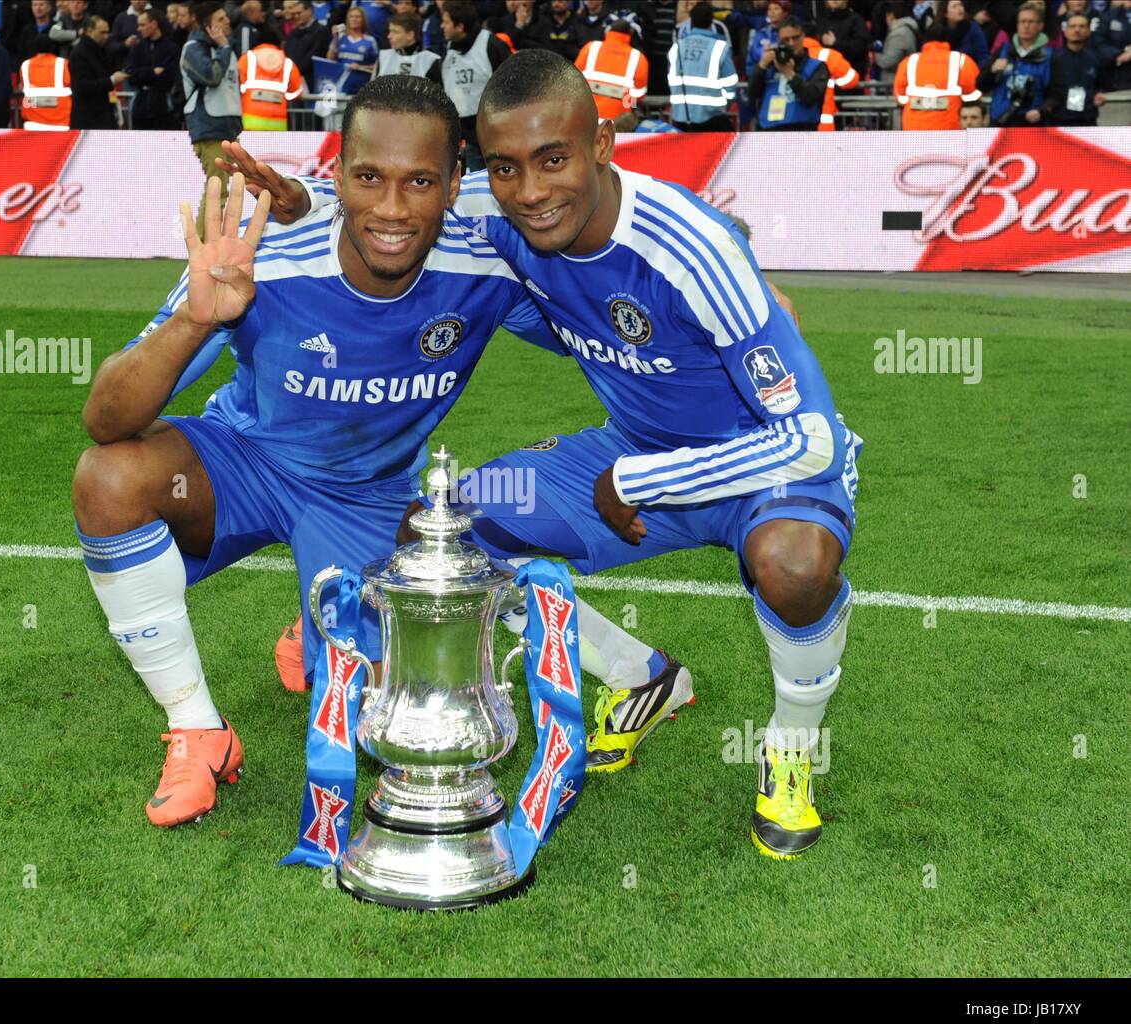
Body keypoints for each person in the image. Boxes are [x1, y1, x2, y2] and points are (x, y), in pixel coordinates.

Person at [246, 49, 860, 859]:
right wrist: (303, 204)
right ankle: (642, 673)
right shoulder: (498, 211)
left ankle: (790, 750)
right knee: (442, 525)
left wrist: (642, 477)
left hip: (764, 470)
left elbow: (806, 436)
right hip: (630, 451)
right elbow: (394, 197)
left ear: (603, 143)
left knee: (795, 563)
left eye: (554, 159)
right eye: (506, 167)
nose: (531, 191)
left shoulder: (690, 245)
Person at [71, 77, 572, 828]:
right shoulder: (264, 249)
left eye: (420, 182)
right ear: (333, 176)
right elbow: (105, 415)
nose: (392, 209)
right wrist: (197, 321)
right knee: (110, 477)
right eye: (368, 177)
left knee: (387, 714)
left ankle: (321, 612)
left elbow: (599, 309)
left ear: (454, 186)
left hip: (369, 497)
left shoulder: (487, 260)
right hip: (245, 462)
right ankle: (197, 726)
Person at [182, 2, 242, 238]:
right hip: (209, 127)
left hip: (225, 127)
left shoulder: (223, 47)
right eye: (220, 19)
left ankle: (210, 245)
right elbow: (211, 76)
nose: (227, 22)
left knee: (220, 189)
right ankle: (203, 250)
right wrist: (224, 48)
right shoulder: (193, 49)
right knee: (216, 188)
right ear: (208, 26)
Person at [440, 1, 509, 172]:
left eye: (446, 22)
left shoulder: (491, 45)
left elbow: (511, 85)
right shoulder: (448, 48)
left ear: (460, 26)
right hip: (469, 133)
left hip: (495, 131)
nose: (442, 26)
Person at [894, 21, 981, 129]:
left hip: (913, 127)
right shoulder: (961, 60)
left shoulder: (909, 61)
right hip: (949, 127)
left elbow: (900, 96)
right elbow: (974, 94)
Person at [748, 15, 828, 130]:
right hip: (768, 132)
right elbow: (752, 93)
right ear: (778, 41)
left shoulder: (816, 66)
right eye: (785, 40)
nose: (791, 43)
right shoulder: (771, 65)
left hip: (802, 131)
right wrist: (761, 66)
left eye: (795, 38)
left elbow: (811, 96)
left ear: (803, 36)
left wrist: (790, 74)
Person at [667, 1, 737, 132]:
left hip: (682, 117)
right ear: (712, 22)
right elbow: (731, 82)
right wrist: (724, 106)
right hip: (713, 118)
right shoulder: (720, 48)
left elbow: (671, 79)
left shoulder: (676, 47)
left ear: (691, 21)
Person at [977, 0, 1050, 126]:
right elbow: (980, 85)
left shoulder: (1050, 56)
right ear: (1016, 25)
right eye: (1022, 21)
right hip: (1000, 122)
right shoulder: (1004, 51)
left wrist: (1041, 111)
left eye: (1031, 22)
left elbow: (1057, 94)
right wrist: (992, 71)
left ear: (1040, 25)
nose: (1026, 26)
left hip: (1032, 125)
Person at [1043, 10, 1112, 125]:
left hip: (1087, 120)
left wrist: (1099, 96)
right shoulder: (1053, 59)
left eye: (1082, 26)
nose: (1077, 30)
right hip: (1059, 120)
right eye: (1073, 26)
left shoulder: (1095, 59)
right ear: (1065, 31)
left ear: (1089, 31)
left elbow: (1101, 86)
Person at [574, 18, 648, 122]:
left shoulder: (590, 48)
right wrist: (626, 106)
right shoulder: (638, 57)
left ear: (608, 31)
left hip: (586, 116)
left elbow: (574, 78)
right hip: (618, 121)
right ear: (630, 33)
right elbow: (638, 94)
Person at [238, 21, 301, 130]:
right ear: (281, 44)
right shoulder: (287, 63)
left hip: (250, 121)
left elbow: (237, 85)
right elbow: (296, 93)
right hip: (278, 123)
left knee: (248, 148)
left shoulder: (247, 58)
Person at [126, 7, 180, 129]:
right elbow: (130, 76)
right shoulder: (137, 48)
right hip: (140, 111)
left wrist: (141, 75)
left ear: (154, 24)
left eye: (142, 25)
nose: (138, 29)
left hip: (164, 110)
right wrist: (152, 72)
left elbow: (168, 79)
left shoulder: (170, 48)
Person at [69, 13, 123, 128]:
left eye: (108, 32)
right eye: (102, 32)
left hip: (103, 117)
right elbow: (82, 87)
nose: (106, 36)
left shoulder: (101, 51)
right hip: (88, 121)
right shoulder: (79, 54)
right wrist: (112, 80)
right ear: (89, 31)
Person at [20, 34, 72, 129]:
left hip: (32, 124)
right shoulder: (63, 64)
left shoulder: (25, 65)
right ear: (52, 47)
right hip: (61, 124)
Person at [373, 11, 441, 81]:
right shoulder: (383, 57)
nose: (389, 36)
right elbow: (371, 89)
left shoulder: (430, 60)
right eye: (390, 31)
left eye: (395, 32)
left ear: (410, 35)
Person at [816, 0, 872, 78]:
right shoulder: (822, 20)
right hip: (825, 76)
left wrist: (836, 43)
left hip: (850, 77)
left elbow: (861, 47)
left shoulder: (856, 20)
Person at [875, 1, 922, 86]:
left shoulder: (899, 34)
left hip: (894, 84)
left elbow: (888, 61)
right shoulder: (907, 29)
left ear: (891, 16)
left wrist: (874, 56)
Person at [281, 0, 327, 85]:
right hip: (291, 79)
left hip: (310, 81)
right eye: (294, 14)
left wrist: (295, 71)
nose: (296, 16)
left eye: (299, 13)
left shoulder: (321, 31)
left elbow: (314, 56)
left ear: (309, 11)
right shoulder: (293, 33)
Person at [328, 3, 378, 73]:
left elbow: (377, 65)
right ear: (347, 20)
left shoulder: (370, 40)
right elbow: (329, 59)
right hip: (340, 80)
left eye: (358, 17)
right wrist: (335, 39)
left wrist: (360, 67)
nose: (354, 19)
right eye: (351, 17)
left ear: (363, 20)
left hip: (362, 80)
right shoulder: (340, 37)